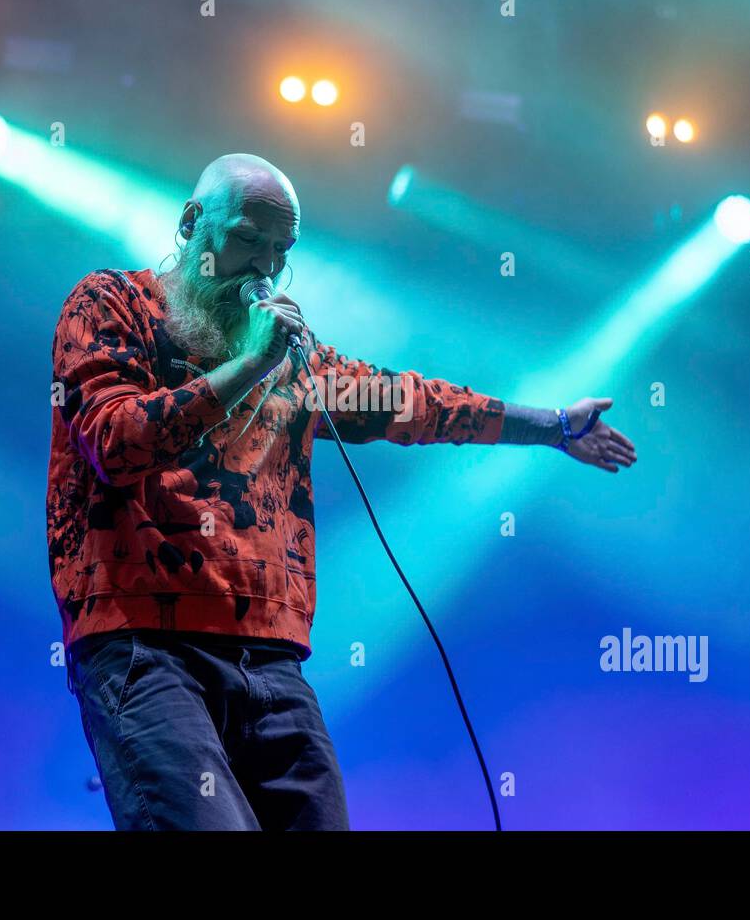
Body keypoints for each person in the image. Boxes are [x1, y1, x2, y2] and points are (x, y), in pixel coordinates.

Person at [46, 153, 637, 830]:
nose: (265, 267)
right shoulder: (111, 303)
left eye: (280, 250)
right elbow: (115, 443)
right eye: (247, 239)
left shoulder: (292, 358)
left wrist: (552, 426)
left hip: (270, 653)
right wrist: (251, 367)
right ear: (191, 223)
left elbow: (411, 403)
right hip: (143, 646)